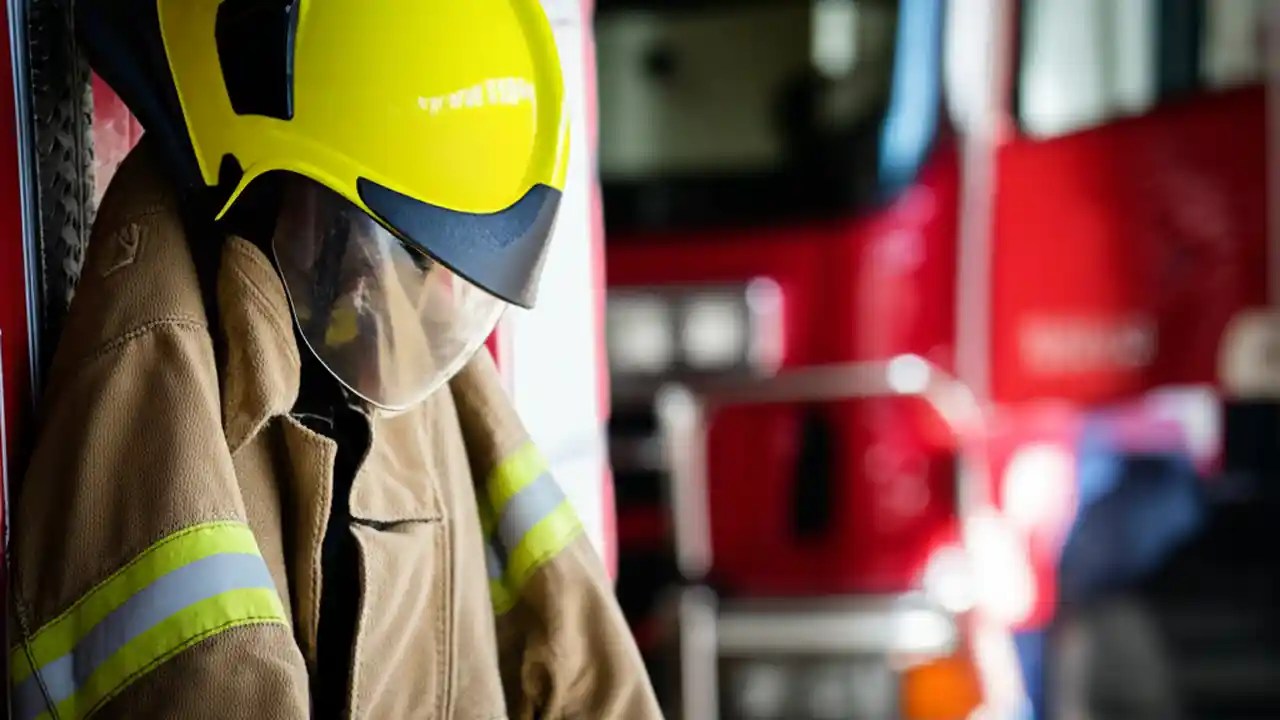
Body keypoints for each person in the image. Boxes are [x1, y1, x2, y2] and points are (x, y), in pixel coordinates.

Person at [7, 0, 662, 718]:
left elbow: (587, 659)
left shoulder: (413, 350)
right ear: (252, 178)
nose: (379, 290)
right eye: (357, 241)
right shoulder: (156, 382)